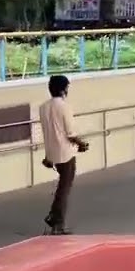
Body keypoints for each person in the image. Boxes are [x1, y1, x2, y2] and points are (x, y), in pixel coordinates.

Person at [39, 75, 88, 234]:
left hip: (52, 153)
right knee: (64, 188)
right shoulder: (64, 107)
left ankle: (54, 217)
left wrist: (47, 156)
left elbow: (48, 132)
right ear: (63, 89)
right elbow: (70, 133)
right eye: (67, 87)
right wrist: (82, 144)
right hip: (65, 153)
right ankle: (57, 223)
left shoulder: (43, 107)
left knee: (62, 186)